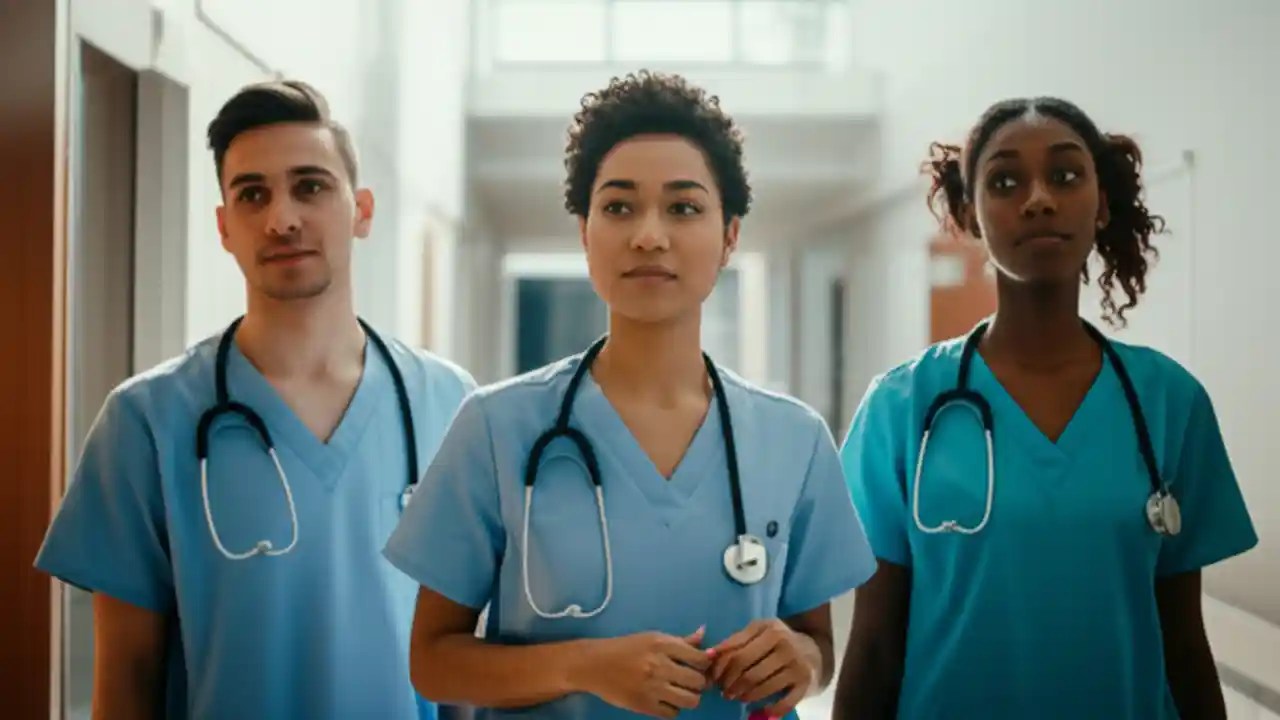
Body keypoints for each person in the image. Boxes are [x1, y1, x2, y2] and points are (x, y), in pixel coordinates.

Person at [382, 70, 877, 720]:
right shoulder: (498, 428)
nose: (649, 234)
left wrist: (800, 661)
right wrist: (585, 664)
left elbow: (818, 652)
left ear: (730, 236)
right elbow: (433, 661)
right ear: (585, 233)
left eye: (684, 207)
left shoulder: (795, 440)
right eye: (619, 207)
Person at [34, 80, 475, 719]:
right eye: (252, 195)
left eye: (311, 186)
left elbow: (462, 667)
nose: (282, 218)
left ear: (362, 210)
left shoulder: (449, 404)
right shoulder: (147, 422)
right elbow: (126, 676)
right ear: (224, 227)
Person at [831, 96, 1258, 719]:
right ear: (969, 215)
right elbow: (871, 649)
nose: (1037, 199)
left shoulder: (1168, 402)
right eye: (1004, 181)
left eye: (1064, 175)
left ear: (1101, 203)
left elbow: (1185, 644)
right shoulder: (901, 407)